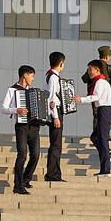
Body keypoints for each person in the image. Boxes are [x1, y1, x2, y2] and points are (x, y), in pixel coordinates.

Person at [2, 64, 40, 195]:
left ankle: (25, 179)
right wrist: (16, 110)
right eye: (32, 75)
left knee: (35, 155)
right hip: (22, 126)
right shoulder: (12, 90)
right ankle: (18, 185)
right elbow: (4, 108)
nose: (33, 79)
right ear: (25, 75)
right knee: (22, 155)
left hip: (34, 126)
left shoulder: (33, 92)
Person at [72, 59, 111, 177]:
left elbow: (95, 97)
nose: (89, 72)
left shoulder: (100, 82)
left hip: (104, 110)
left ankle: (106, 170)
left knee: (102, 139)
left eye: (90, 69)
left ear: (97, 70)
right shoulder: (100, 81)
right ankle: (106, 157)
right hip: (103, 110)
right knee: (95, 137)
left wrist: (81, 99)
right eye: (88, 69)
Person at [44, 52, 67, 182]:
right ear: (61, 63)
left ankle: (54, 173)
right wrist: (56, 117)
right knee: (56, 145)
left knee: (56, 144)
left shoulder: (49, 75)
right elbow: (51, 98)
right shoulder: (53, 77)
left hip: (55, 112)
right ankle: (53, 174)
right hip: (55, 113)